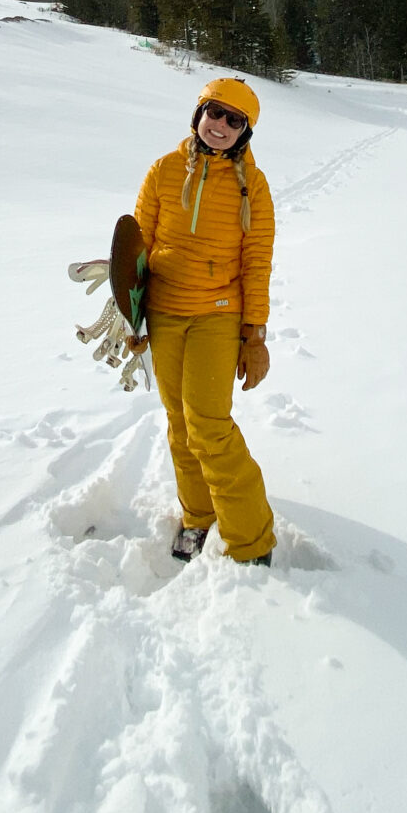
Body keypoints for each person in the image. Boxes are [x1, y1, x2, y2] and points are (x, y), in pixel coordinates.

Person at [134, 77, 277, 566]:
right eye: (214, 112)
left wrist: (254, 335)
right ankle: (198, 515)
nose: (220, 125)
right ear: (197, 115)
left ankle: (252, 540)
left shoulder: (253, 187)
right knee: (179, 424)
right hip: (165, 312)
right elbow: (138, 246)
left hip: (218, 313)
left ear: (245, 132)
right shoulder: (164, 170)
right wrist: (131, 314)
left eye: (234, 120)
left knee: (209, 426)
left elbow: (257, 263)